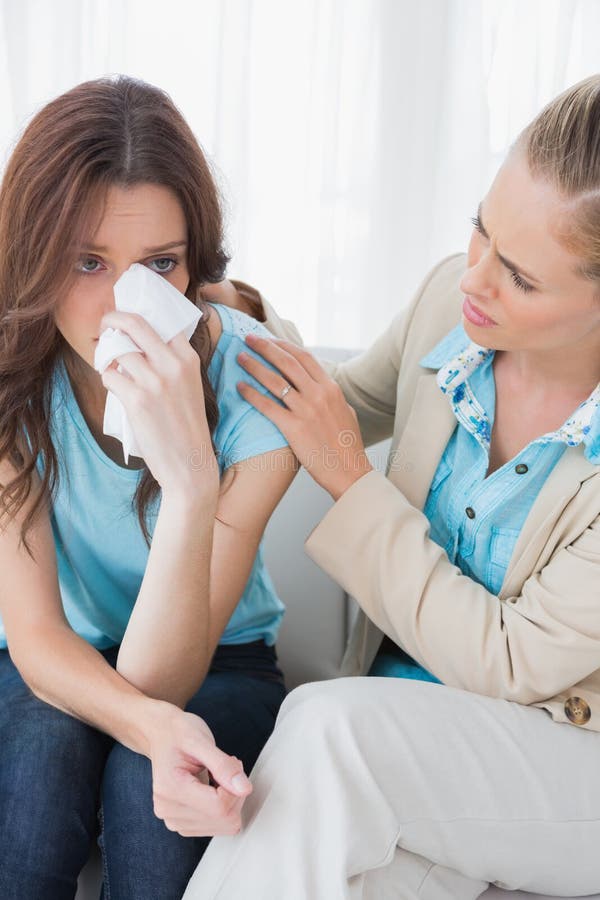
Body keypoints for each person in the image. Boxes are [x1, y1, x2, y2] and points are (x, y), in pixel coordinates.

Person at [182, 75, 600, 898]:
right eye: (480, 231)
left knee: (330, 728)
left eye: (520, 277)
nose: (475, 278)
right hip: (422, 760)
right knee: (343, 854)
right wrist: (230, 315)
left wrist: (348, 477)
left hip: (570, 767)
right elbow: (347, 404)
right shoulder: (454, 300)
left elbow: (512, 662)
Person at [0, 75, 299, 900]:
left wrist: (191, 479)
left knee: (153, 793)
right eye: (87, 262)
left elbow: (169, 676)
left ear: (196, 266)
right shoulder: (14, 380)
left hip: (221, 657)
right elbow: (34, 637)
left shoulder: (257, 386)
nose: (122, 304)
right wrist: (150, 724)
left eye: (159, 264)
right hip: (59, 652)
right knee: (40, 764)